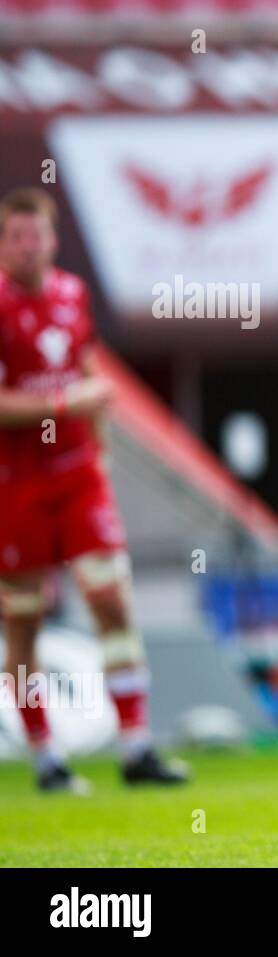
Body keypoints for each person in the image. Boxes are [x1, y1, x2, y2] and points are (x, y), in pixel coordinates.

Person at [0, 187, 189, 793]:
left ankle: (136, 747)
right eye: (16, 238)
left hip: (78, 473)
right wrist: (62, 403)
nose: (28, 248)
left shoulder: (71, 295)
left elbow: (86, 376)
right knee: (23, 621)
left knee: (111, 599)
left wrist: (99, 447)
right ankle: (45, 757)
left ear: (53, 241)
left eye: (37, 237)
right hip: (17, 482)